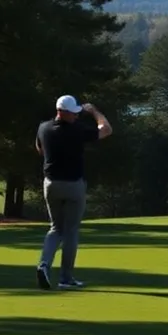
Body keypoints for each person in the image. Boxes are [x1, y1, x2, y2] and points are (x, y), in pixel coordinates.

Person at [35, 94, 112, 290]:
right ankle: (66, 278)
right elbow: (106, 129)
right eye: (74, 113)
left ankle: (44, 265)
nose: (77, 116)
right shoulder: (77, 130)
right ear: (64, 112)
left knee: (55, 228)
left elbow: (40, 149)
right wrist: (94, 111)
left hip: (51, 184)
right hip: (73, 185)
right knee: (70, 231)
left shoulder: (44, 128)